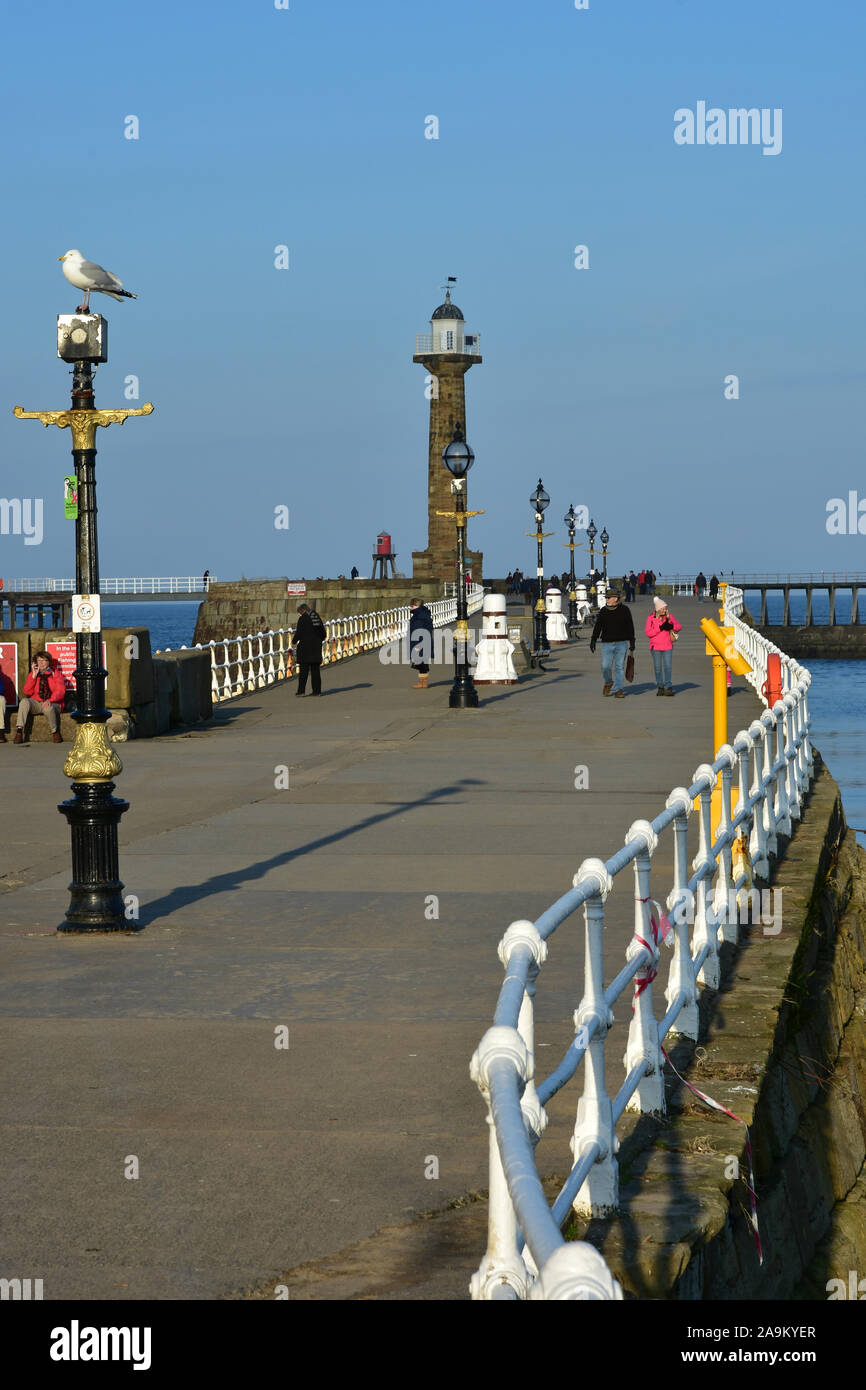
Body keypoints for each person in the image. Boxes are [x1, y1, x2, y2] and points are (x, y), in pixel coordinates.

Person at [589, 588, 635, 698]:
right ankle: (608, 682)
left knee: (619, 667)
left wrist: (632, 642)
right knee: (605, 666)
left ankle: (619, 689)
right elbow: (598, 626)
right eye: (606, 597)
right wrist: (593, 639)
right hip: (607, 643)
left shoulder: (625, 610)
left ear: (615, 598)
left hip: (621, 643)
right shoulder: (603, 611)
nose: (607, 599)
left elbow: (630, 626)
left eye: (608, 597)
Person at [14, 651, 66, 743]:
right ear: (35, 662)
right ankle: (19, 731)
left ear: (49, 662)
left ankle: (55, 732)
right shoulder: (33, 674)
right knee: (24, 702)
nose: (41, 663)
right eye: (39, 660)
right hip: (37, 703)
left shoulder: (55, 674)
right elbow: (27, 691)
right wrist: (33, 676)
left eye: (44, 660)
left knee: (48, 708)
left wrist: (50, 700)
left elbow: (60, 691)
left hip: (54, 703)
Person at [645, 596, 682, 696]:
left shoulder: (669, 616)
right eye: (662, 608)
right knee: (657, 668)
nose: (664, 610)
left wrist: (672, 626)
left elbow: (679, 626)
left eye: (665, 608)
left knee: (668, 667)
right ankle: (660, 686)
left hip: (667, 646)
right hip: (655, 647)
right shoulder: (651, 618)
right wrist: (660, 628)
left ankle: (668, 687)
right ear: (657, 609)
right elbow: (648, 633)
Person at [292, 603, 326, 696]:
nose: (299, 615)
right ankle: (317, 691)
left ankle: (301, 691)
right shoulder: (316, 617)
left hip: (305, 649)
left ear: (302, 611)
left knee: (303, 672)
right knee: (315, 671)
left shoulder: (302, 619)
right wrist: (318, 640)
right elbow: (323, 633)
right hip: (316, 648)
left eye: (299, 613)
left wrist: (293, 641)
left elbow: (299, 633)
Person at [409, 597, 434, 689]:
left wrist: (418, 646)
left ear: (417, 606)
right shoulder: (423, 614)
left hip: (420, 642)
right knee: (422, 663)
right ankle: (423, 682)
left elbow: (419, 631)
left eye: (412, 605)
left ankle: (423, 683)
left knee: (421, 663)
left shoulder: (419, 616)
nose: (410, 607)